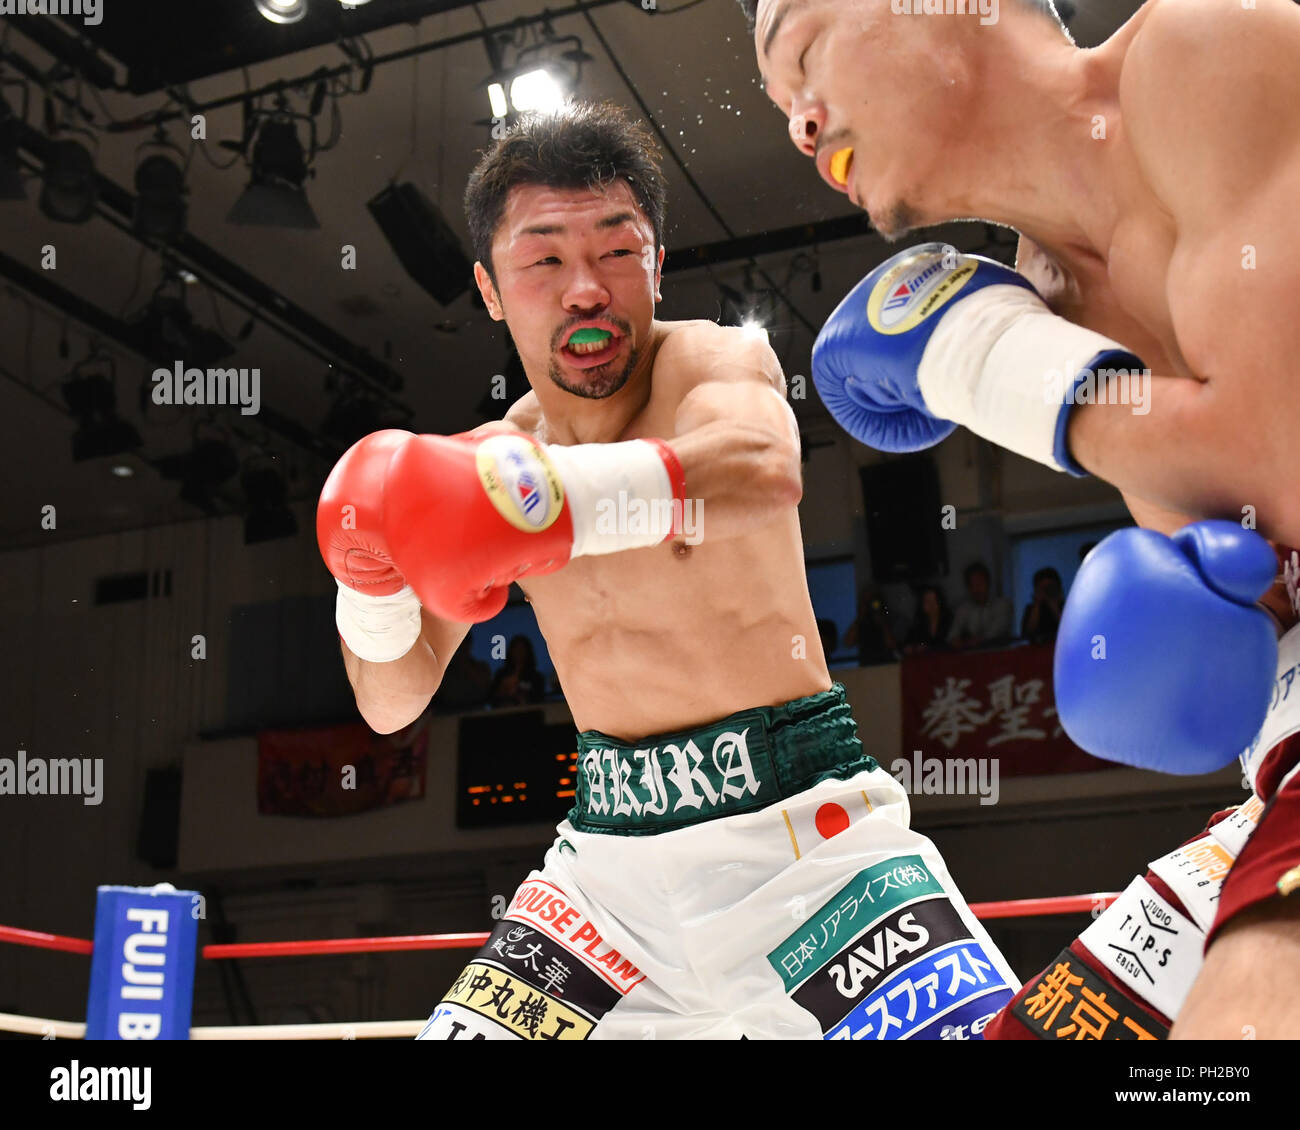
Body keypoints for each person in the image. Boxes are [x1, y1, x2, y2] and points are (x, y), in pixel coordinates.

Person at [317, 101, 1018, 1040]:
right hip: (605, 883)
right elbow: (390, 703)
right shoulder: (487, 460)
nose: (586, 290)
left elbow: (762, 471)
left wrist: (548, 507)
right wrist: (370, 586)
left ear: (657, 262)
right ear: (490, 288)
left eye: (618, 251)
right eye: (545, 259)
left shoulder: (711, 364)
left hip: (806, 844)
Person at [739, 0, 1300, 1037]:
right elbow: (1259, 561)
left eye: (805, 55)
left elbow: (1277, 457)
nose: (800, 126)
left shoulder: (1201, 51)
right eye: (780, 108)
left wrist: (984, 362)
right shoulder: (1042, 308)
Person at [947, 562, 1012, 650]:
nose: (977, 588)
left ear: (988, 583)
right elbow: (952, 635)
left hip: (999, 654)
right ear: (968, 588)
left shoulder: (1003, 605)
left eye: (980, 583)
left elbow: (996, 630)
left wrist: (978, 640)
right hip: (973, 657)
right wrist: (954, 640)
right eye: (972, 584)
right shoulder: (963, 609)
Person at [431, 628, 492, 713]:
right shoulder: (444, 670)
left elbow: (485, 687)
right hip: (447, 713)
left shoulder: (481, 667)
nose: (460, 649)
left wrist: (465, 664)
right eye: (458, 645)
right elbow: (437, 694)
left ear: (469, 645)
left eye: (463, 644)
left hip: (477, 711)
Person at [841, 582, 897, 664]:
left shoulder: (891, 618)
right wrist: (860, 618)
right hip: (867, 666)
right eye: (866, 601)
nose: (870, 605)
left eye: (873, 600)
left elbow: (892, 645)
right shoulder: (861, 622)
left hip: (886, 665)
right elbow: (848, 643)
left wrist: (882, 622)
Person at [490, 634, 546, 707]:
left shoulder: (536, 677)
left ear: (528, 651)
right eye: (516, 648)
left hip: (530, 714)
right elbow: (492, 698)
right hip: (504, 714)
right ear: (511, 651)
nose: (518, 652)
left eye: (522, 648)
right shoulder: (501, 674)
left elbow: (539, 699)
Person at [1019, 567, 1064, 646]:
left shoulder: (1066, 607)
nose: (1046, 591)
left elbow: (1067, 629)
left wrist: (1053, 604)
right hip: (1036, 650)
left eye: (1050, 588)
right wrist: (1037, 604)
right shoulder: (1032, 609)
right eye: (1043, 588)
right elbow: (1027, 633)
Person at [901, 584, 950, 656]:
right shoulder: (918, 625)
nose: (931, 605)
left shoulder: (950, 620)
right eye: (927, 601)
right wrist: (913, 648)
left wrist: (928, 648)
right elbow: (906, 646)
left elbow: (952, 644)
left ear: (940, 602)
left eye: (934, 600)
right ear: (921, 604)